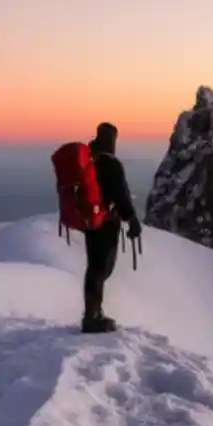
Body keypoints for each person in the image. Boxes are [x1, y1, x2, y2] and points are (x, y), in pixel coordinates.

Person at [83, 122, 141, 333]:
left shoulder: (89, 159)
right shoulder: (110, 163)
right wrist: (131, 219)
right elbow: (120, 194)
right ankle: (92, 316)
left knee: (94, 266)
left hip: (90, 221)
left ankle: (93, 312)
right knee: (101, 267)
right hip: (106, 222)